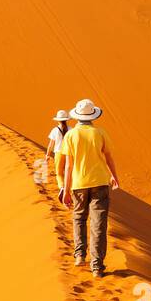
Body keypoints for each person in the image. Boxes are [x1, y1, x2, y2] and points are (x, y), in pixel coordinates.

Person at [56, 98, 120, 276]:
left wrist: (66, 189)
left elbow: (68, 165)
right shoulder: (100, 133)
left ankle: (79, 255)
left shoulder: (70, 136)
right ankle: (97, 266)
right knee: (98, 224)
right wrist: (115, 177)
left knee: (79, 219)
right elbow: (109, 158)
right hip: (100, 183)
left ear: (77, 116)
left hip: (78, 184)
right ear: (93, 116)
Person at [44, 110, 72, 200]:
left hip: (59, 153)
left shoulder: (55, 130)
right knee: (69, 172)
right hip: (69, 153)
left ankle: (62, 187)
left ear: (58, 120)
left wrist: (47, 155)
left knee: (59, 173)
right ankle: (69, 190)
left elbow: (51, 144)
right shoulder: (71, 129)